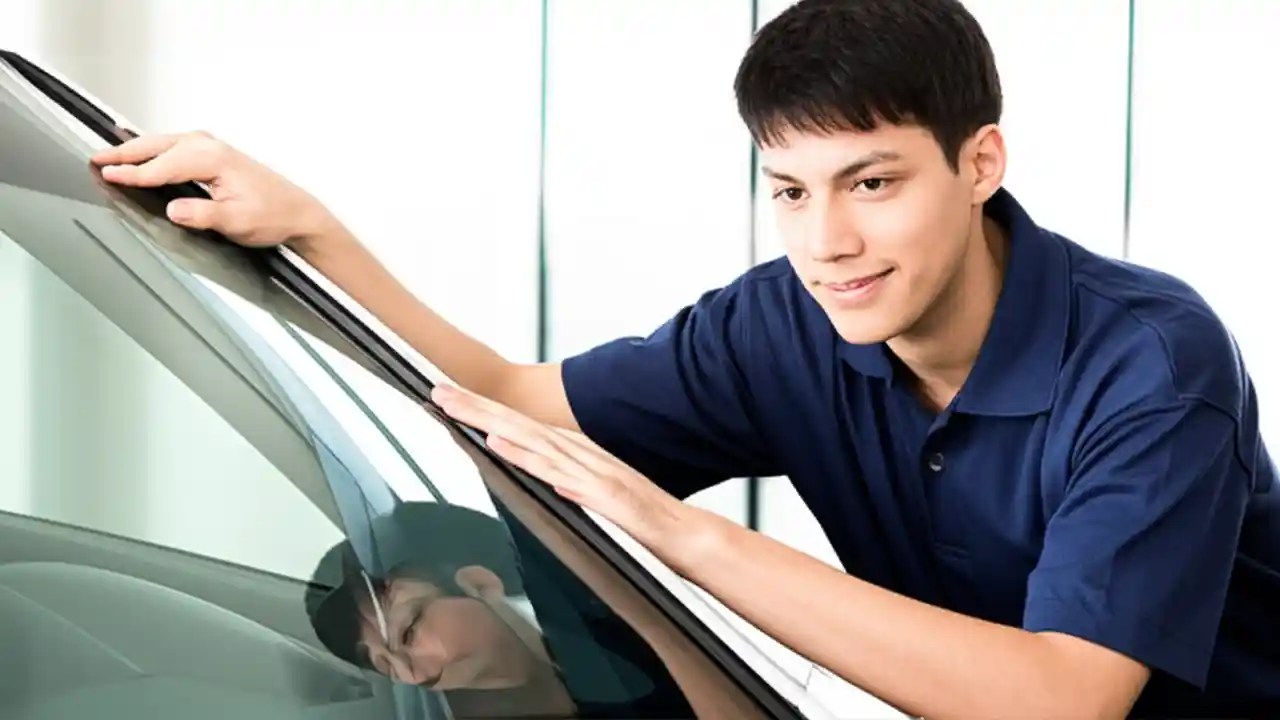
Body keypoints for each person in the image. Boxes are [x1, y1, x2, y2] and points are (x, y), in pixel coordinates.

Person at [93, 0, 1279, 716]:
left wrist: (684, 536)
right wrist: (314, 233)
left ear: (979, 163)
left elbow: (1059, 700)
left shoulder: (1149, 364)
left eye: (872, 183)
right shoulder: (782, 322)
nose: (830, 243)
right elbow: (510, 399)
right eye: (791, 192)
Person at [304, 500, 696, 718]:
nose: (410, 674)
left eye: (408, 632)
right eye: (385, 666)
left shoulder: (633, 634)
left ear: (480, 584)